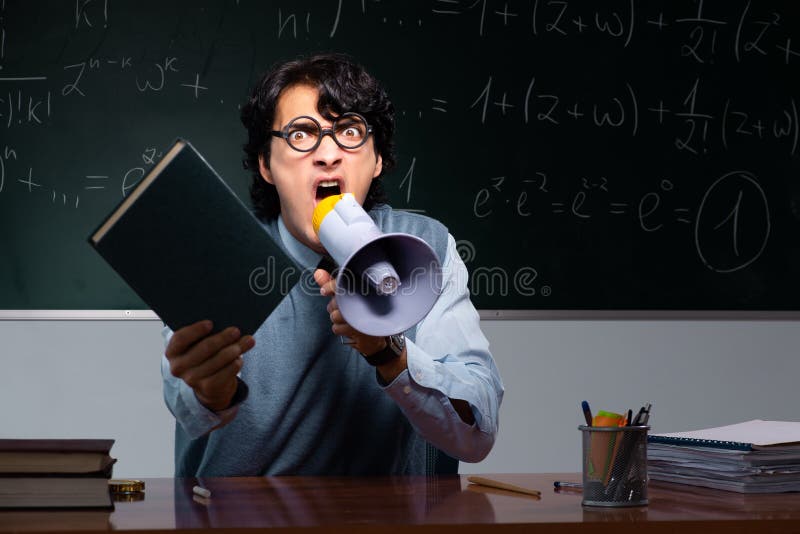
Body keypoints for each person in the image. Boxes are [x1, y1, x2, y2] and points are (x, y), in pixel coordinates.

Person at [161, 53, 504, 476]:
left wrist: (389, 354)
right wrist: (211, 391)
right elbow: (186, 406)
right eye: (302, 134)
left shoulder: (424, 248)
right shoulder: (218, 251)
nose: (328, 154)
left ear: (377, 159)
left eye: (350, 132)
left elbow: (477, 436)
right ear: (266, 164)